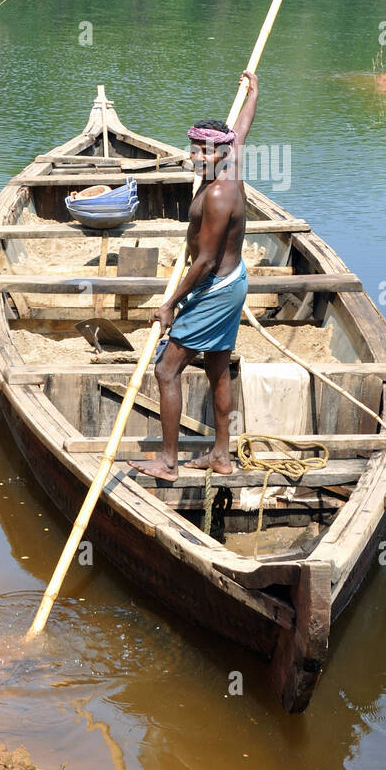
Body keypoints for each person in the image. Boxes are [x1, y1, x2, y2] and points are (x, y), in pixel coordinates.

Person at [132, 70, 259, 481]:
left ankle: (168, 463)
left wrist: (170, 304)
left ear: (220, 155)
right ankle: (221, 456)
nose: (198, 157)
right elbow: (239, 129)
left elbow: (203, 261)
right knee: (218, 367)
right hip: (230, 280)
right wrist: (252, 93)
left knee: (167, 370)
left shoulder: (220, 193)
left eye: (206, 152)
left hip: (216, 286)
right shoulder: (229, 160)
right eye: (194, 150)